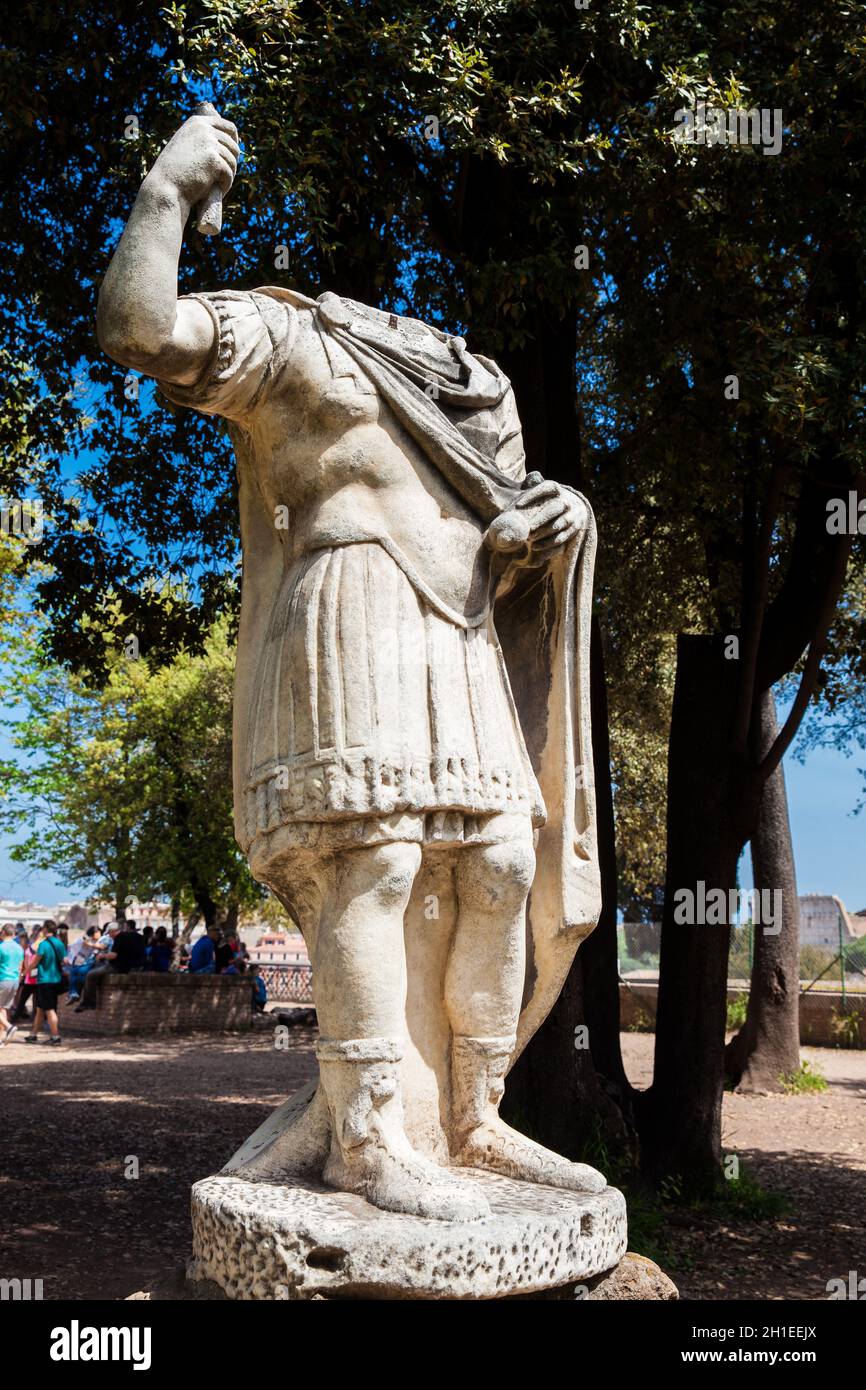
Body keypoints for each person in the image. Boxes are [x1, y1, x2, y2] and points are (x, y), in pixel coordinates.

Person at [96, 106, 602, 1219]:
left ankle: (472, 1116)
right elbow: (135, 329)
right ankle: (370, 1137)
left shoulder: (482, 388)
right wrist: (165, 193)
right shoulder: (292, 338)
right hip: (350, 609)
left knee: (503, 868)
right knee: (371, 865)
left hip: (460, 628)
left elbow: (509, 523)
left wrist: (554, 519)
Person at [24, 922, 65, 1045]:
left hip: (44, 980)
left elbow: (35, 962)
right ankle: (33, 1034)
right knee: (40, 1008)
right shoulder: (59, 943)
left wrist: (25, 971)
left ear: (45, 929)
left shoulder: (43, 944)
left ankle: (55, 1036)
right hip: (56, 979)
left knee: (49, 1009)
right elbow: (64, 960)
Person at [74, 923, 121, 1011]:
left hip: (110, 964)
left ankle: (89, 1002)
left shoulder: (114, 939)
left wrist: (101, 955)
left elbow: (112, 954)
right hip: (104, 963)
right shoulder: (113, 938)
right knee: (81, 972)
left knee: (89, 974)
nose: (109, 934)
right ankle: (78, 996)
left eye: (110, 932)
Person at [0, 923, 24, 1043]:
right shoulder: (19, 948)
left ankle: (9, 1027)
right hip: (14, 981)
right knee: (2, 1009)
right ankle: (0, 1039)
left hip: (3, 980)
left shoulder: (1, 947)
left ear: (3, 932)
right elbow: (20, 966)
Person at [66, 925, 101, 1003]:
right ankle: (73, 994)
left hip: (86, 960)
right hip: (78, 958)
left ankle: (74, 993)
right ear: (94, 933)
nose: (100, 934)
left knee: (80, 973)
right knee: (74, 973)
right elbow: (85, 943)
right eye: (98, 932)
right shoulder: (85, 938)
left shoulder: (99, 941)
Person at [10, 932, 39, 1023]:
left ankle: (16, 1018)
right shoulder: (36, 950)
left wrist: (23, 974)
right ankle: (31, 1017)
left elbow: (26, 965)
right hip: (34, 978)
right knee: (31, 1000)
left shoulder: (27, 950)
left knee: (23, 999)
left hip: (29, 979)